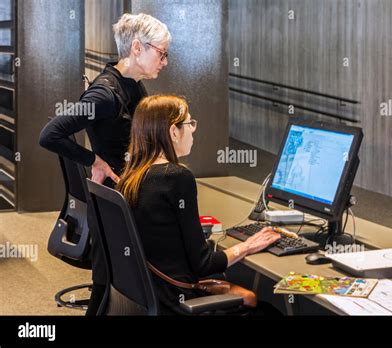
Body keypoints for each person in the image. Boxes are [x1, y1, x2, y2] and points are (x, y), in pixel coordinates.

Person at [38, 13, 171, 315]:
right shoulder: (104, 94)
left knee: (109, 288)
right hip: (117, 203)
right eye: (162, 53)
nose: (164, 61)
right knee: (110, 285)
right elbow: (49, 134)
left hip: (124, 195)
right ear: (138, 49)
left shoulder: (133, 82)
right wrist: (92, 159)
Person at [116, 95, 282, 315]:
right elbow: (203, 264)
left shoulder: (130, 178)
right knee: (269, 311)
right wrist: (248, 245)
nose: (193, 129)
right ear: (173, 132)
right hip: (176, 301)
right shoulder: (177, 177)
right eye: (189, 123)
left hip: (149, 298)